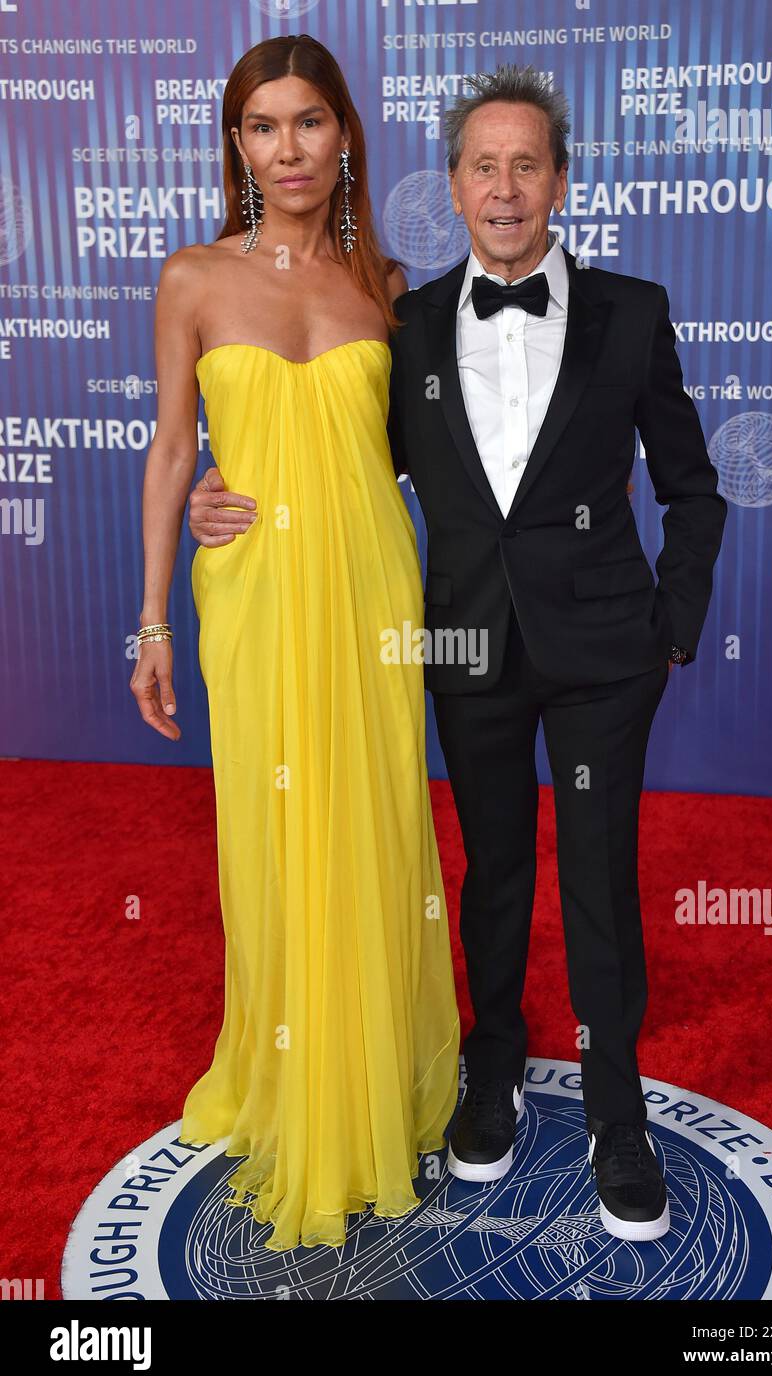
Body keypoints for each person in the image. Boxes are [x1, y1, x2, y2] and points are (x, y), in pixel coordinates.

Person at [191, 64, 728, 1243]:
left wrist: (671, 626)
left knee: (597, 876)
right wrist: (217, 495)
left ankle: (614, 1108)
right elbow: (321, 445)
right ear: (452, 183)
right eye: (481, 165)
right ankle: (491, 1071)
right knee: (489, 872)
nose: (503, 187)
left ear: (560, 182)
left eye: (525, 164)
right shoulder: (410, 319)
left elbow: (693, 487)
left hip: (602, 654)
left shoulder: (632, 311)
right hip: (460, 643)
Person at [129, 34, 459, 1251]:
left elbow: (421, 460)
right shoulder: (193, 280)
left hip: (375, 584)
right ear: (237, 146)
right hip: (256, 586)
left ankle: (379, 1073)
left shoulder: (392, 284)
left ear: (345, 136)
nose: (289, 147)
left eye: (309, 122)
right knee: (274, 828)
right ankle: (287, 1074)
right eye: (263, 127)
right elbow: (173, 450)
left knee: (373, 819)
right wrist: (153, 614)